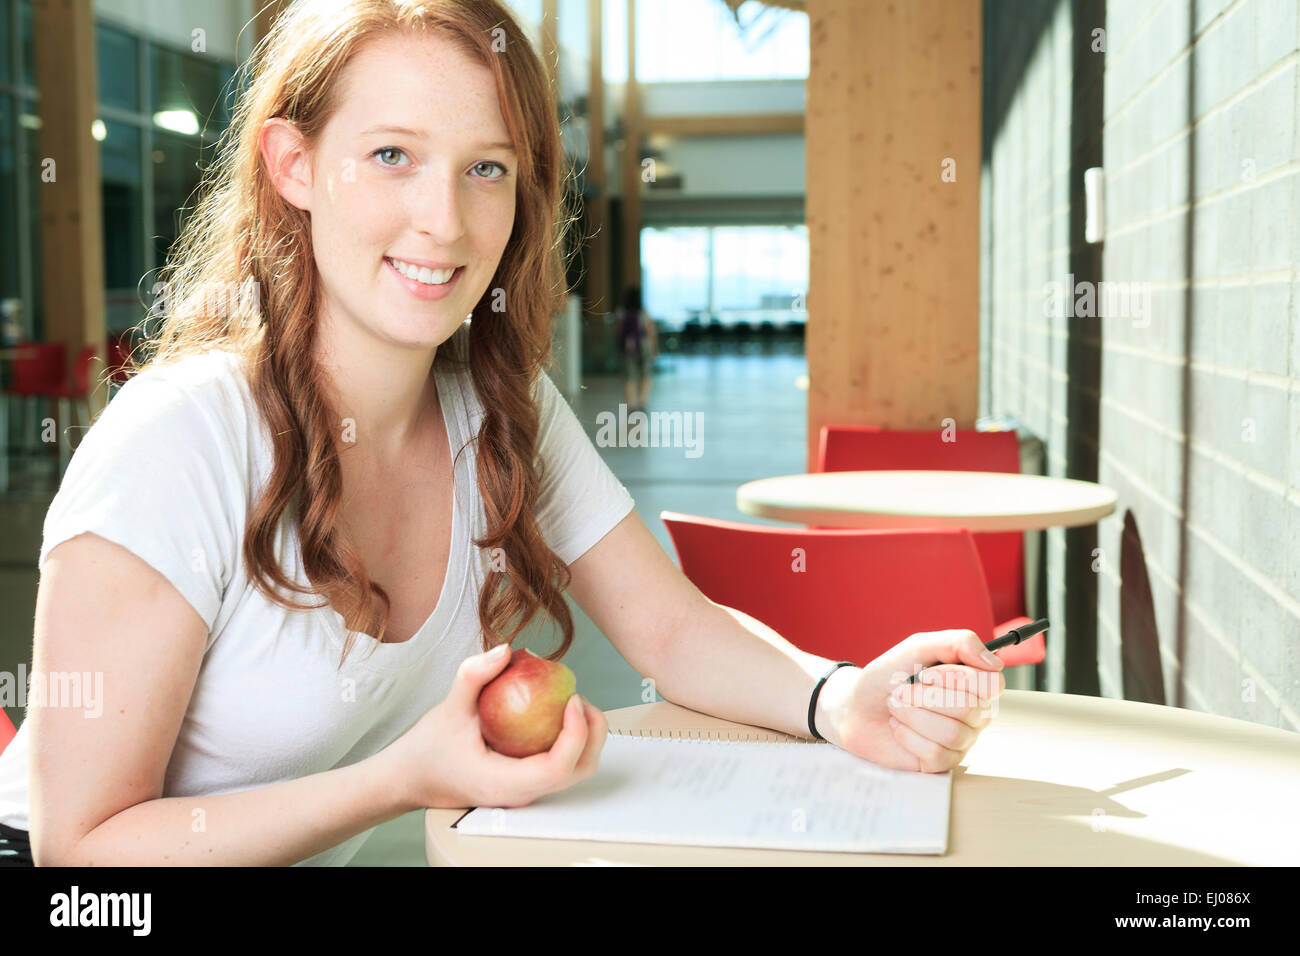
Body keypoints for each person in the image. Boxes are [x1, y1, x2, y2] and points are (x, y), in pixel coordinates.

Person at [0, 0, 1004, 867]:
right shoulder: (180, 442)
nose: (443, 219)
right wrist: (398, 778)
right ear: (294, 165)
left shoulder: (495, 404)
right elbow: (80, 852)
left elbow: (671, 628)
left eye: (485, 168)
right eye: (391, 155)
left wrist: (839, 697)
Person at [618, 284, 656, 412]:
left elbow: (618, 331)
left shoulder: (622, 312)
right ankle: (642, 403)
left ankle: (632, 405)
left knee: (629, 376)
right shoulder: (643, 312)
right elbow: (650, 330)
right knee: (646, 375)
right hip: (643, 347)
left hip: (628, 348)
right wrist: (654, 348)